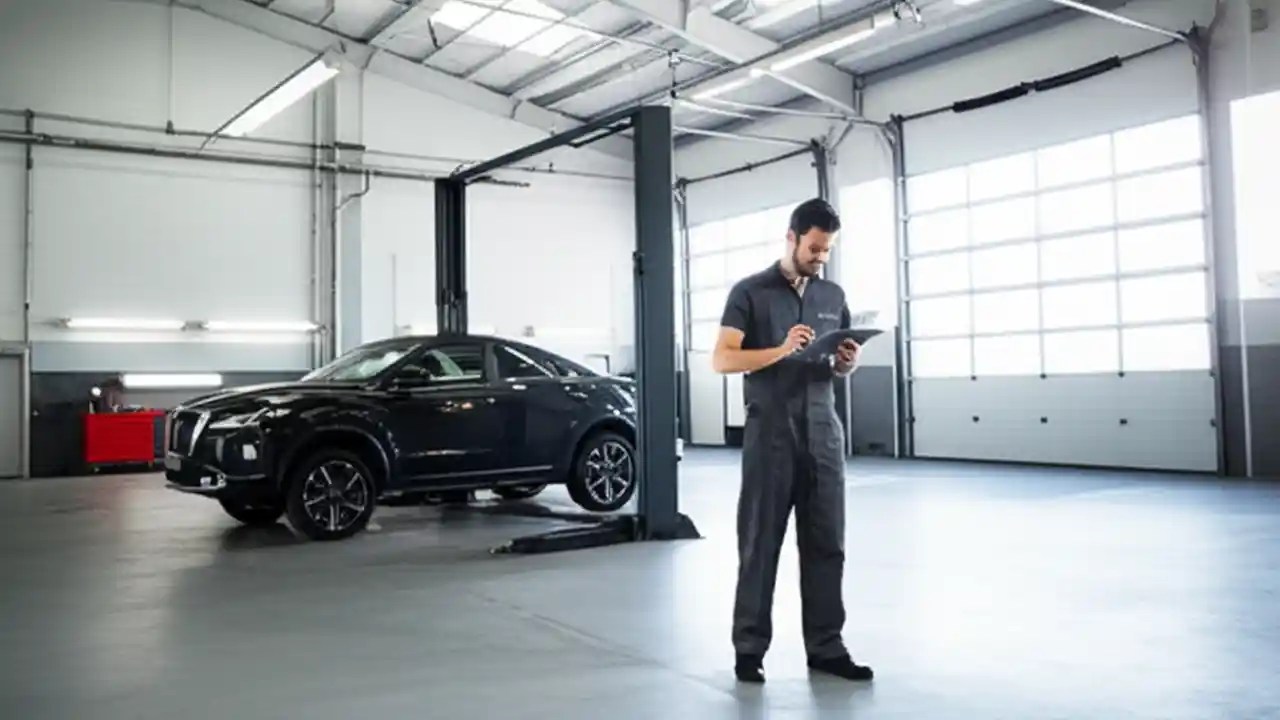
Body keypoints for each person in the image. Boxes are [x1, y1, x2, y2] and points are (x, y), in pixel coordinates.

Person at [711, 198, 872, 684]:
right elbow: (722, 359)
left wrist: (846, 362)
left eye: (827, 250)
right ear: (792, 238)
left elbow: (838, 366)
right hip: (772, 434)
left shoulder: (833, 295)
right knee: (760, 543)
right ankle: (749, 649)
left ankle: (827, 646)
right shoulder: (750, 292)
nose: (820, 258)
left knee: (827, 543)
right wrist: (780, 349)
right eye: (814, 248)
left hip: (823, 433)